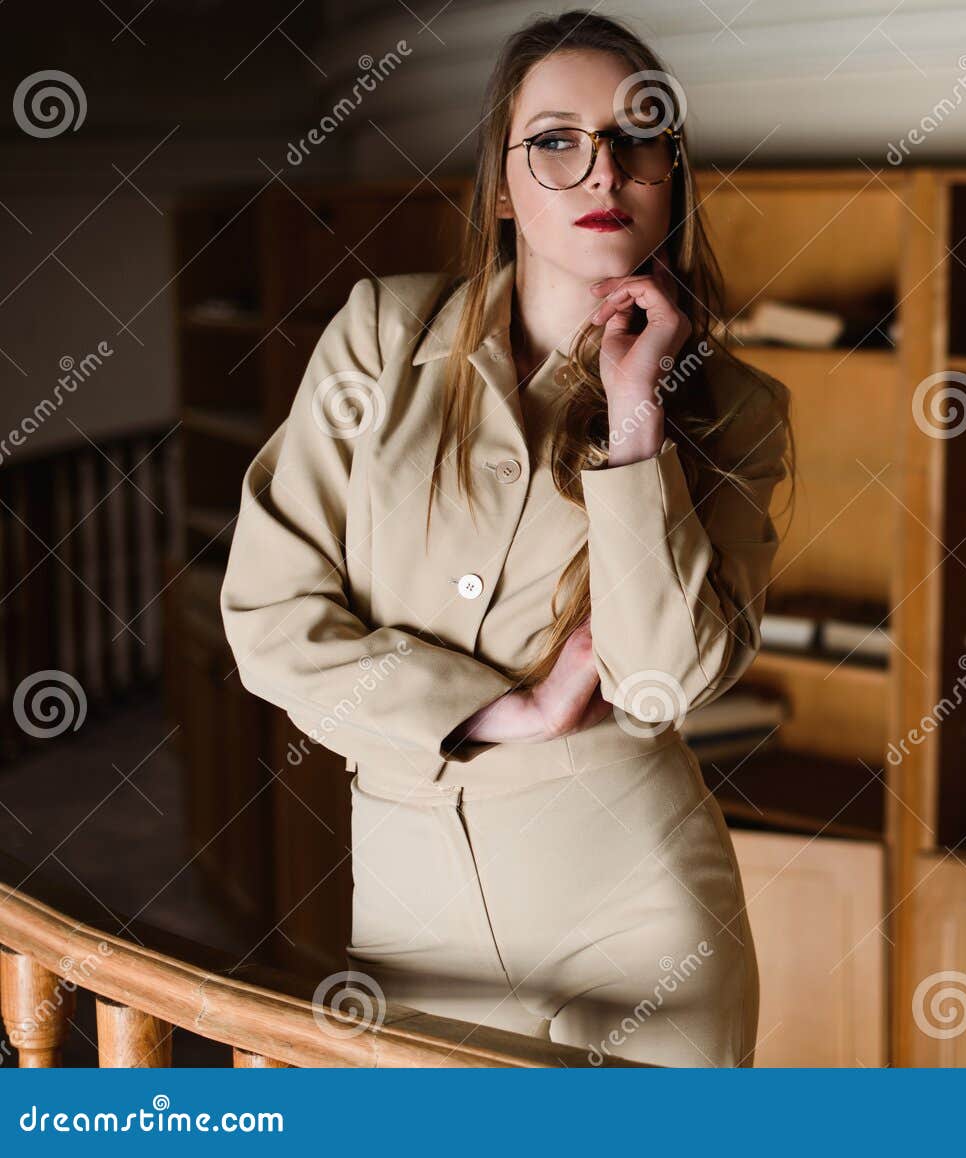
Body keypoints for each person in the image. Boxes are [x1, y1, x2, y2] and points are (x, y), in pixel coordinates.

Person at [219, 9, 793, 1068]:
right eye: (557, 141)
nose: (603, 169)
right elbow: (269, 620)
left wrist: (636, 419)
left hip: (639, 906)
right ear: (500, 185)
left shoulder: (735, 410)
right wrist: (504, 710)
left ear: (671, 175)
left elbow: (660, 683)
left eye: (637, 138)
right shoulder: (380, 336)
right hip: (407, 911)